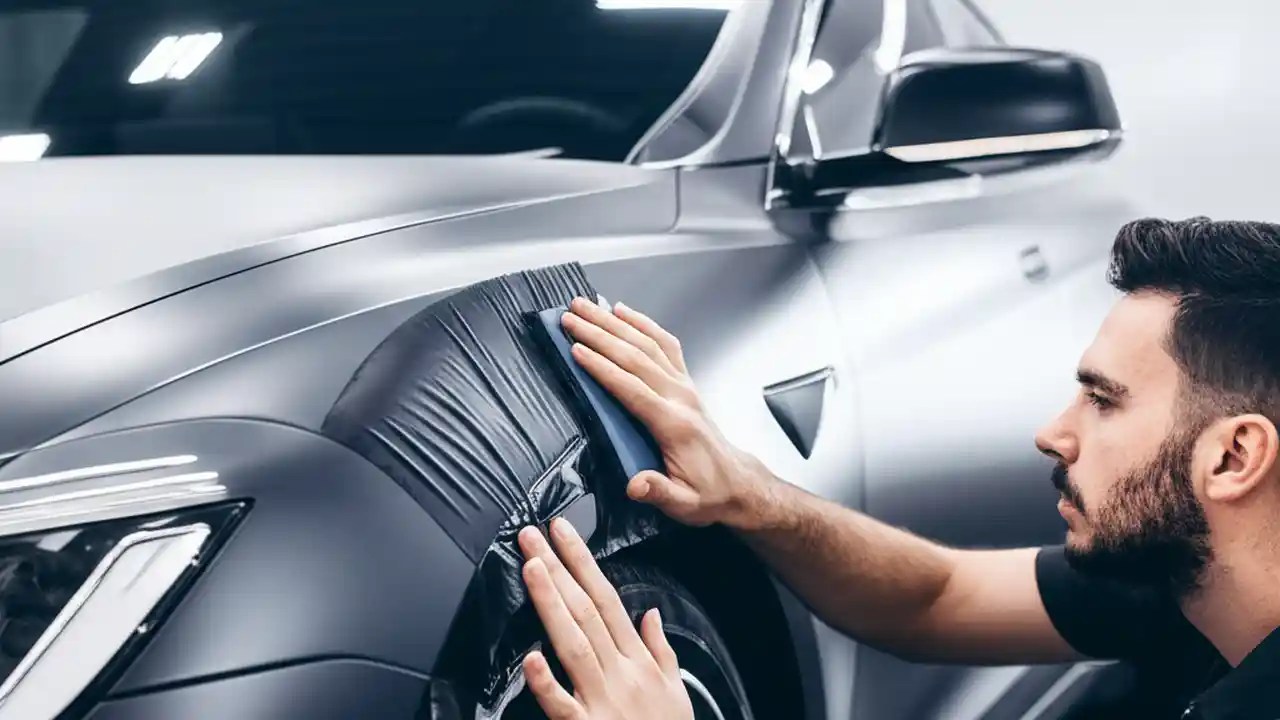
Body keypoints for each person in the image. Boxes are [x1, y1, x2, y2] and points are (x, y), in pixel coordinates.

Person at [515, 217, 1280, 720]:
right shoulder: (1187, 574)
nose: (1053, 435)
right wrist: (749, 494)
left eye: (1104, 402)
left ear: (1234, 456)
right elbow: (937, 598)